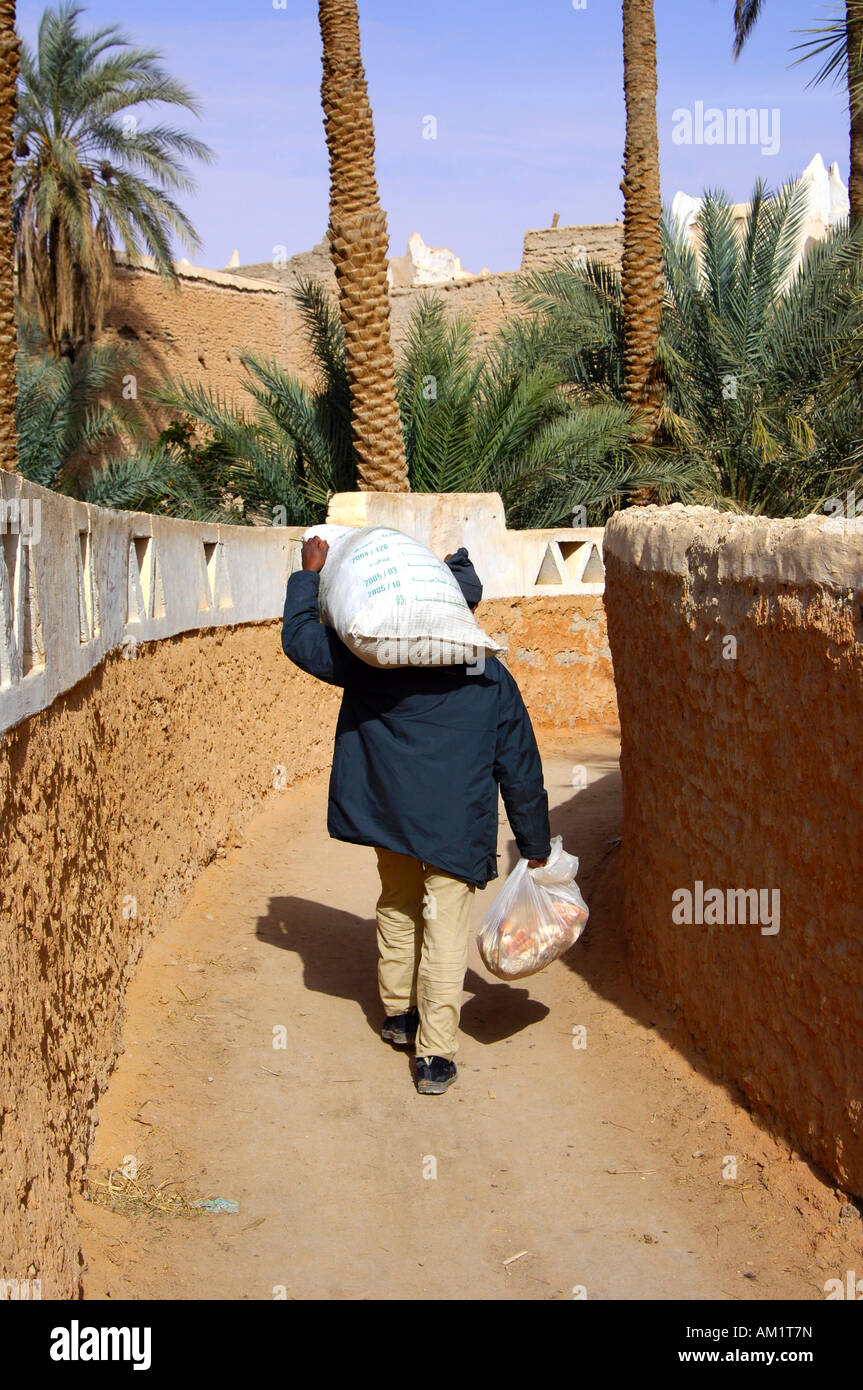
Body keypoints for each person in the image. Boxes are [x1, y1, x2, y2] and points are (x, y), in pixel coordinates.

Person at [281, 535, 551, 1095]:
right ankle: (435, 1055)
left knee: (399, 905)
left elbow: (303, 641)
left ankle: (400, 1015)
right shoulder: (488, 674)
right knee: (446, 931)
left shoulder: (372, 660)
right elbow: (519, 766)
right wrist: (535, 844)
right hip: (457, 826)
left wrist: (309, 574)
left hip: (393, 817)